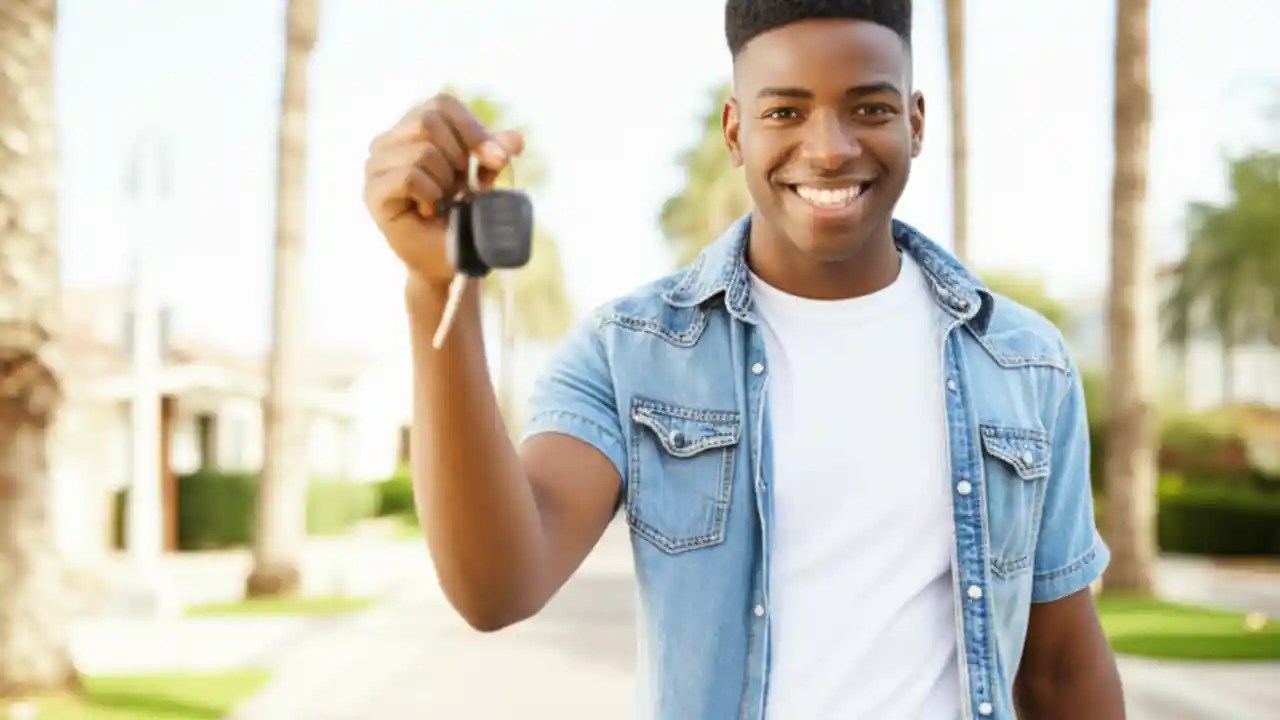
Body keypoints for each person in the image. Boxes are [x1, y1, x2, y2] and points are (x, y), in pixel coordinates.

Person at [361, 1, 1126, 717]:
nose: (829, 148)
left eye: (870, 108)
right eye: (785, 111)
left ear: (916, 122)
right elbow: (496, 588)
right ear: (735, 132)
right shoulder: (631, 352)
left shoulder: (1024, 362)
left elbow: (1061, 667)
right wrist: (437, 291)